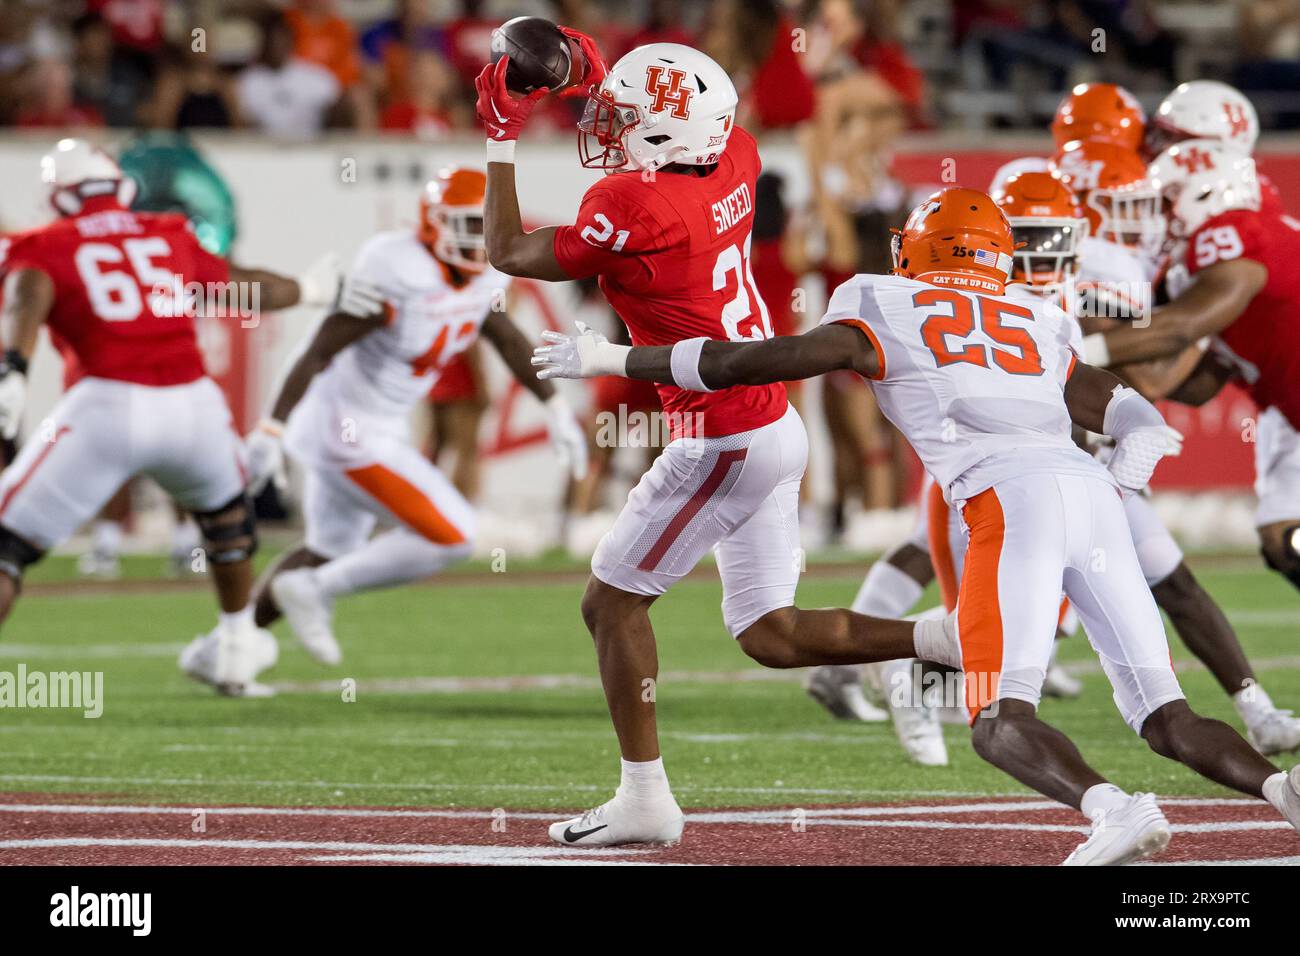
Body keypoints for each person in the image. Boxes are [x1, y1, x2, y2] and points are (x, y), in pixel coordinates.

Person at [536, 187, 1300, 864]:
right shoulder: (1036, 314)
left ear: (922, 250)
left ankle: (1114, 810)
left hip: (1010, 500)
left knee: (998, 721)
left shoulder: (882, 299)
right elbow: (1121, 406)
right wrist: (1134, 451)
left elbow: (756, 361)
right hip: (1094, 496)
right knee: (1168, 716)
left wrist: (617, 356)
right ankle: (1280, 790)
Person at [479, 37, 958, 848]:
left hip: (721, 437)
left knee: (610, 602)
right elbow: (664, 121)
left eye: (628, 119)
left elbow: (507, 251)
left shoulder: (636, 206)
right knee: (770, 635)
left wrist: (500, 135)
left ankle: (644, 800)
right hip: (771, 426)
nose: (610, 127)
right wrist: (577, 73)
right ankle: (946, 636)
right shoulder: (736, 153)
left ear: (669, 136)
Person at [0, 139, 364, 695]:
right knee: (227, 521)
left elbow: (29, 293)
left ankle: (230, 641)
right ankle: (238, 645)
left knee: (8, 550)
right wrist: (313, 289)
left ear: (57, 197)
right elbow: (241, 287)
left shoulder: (44, 245)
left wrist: (14, 369)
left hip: (106, 405)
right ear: (119, 186)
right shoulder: (167, 232)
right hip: (193, 407)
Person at [247, 167, 587, 661]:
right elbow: (317, 350)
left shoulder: (483, 275)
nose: (476, 241)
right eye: (465, 227)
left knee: (329, 547)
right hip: (346, 430)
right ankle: (316, 588)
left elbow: (503, 334)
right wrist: (270, 427)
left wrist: (554, 406)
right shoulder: (397, 270)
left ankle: (228, 646)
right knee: (453, 535)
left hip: (376, 428)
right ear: (433, 224)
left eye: (482, 226)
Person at [1081, 139, 1300, 619]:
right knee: (1285, 541)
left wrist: (1075, 350)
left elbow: (1179, 326)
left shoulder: (1237, 232)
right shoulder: (1213, 266)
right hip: (1289, 413)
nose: (1156, 215)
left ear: (1205, 193)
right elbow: (1185, 384)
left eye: (1165, 200)